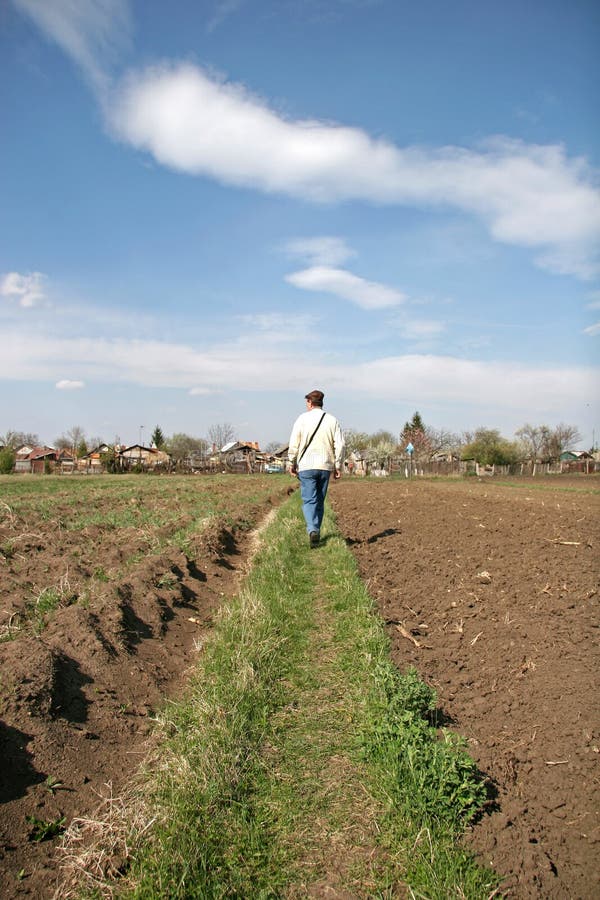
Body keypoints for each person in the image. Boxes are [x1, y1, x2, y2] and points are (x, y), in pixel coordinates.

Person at [288, 389, 345, 547]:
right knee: (320, 500)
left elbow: (294, 443)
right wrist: (338, 465)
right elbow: (340, 445)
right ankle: (316, 532)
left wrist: (291, 462)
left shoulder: (301, 419)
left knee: (309, 500)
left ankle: (312, 529)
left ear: (310, 402)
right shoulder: (332, 420)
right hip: (325, 465)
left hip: (306, 465)